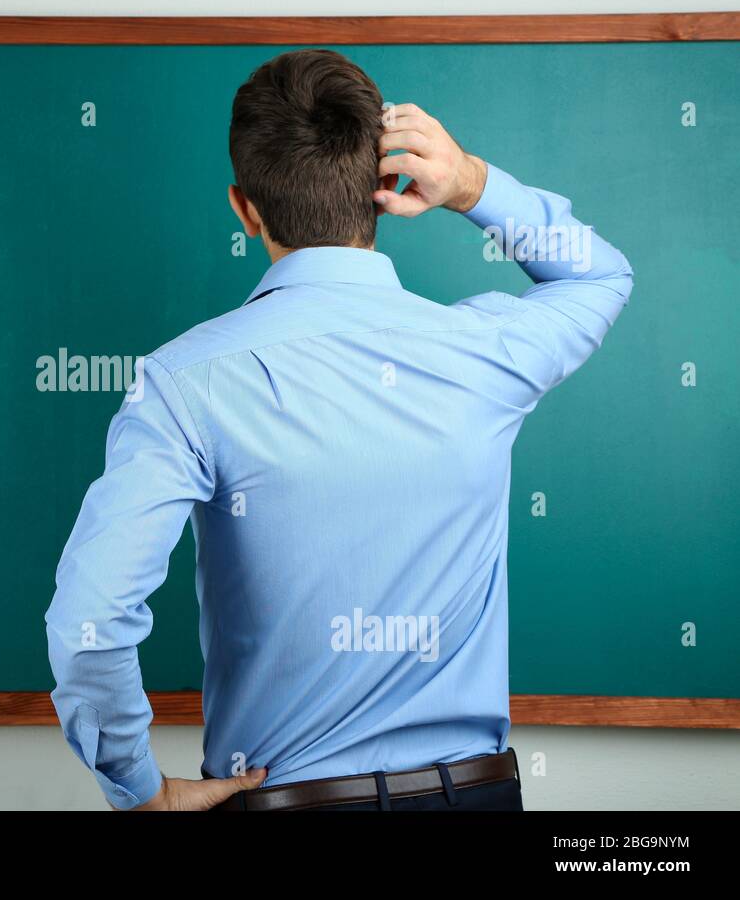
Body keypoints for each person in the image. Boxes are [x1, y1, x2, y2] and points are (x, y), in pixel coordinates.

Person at [44, 48, 633, 811]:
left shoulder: (183, 384)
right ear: (389, 188)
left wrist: (141, 790)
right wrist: (471, 185)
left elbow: (89, 625)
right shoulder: (483, 353)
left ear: (244, 208)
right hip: (476, 799)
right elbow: (600, 275)